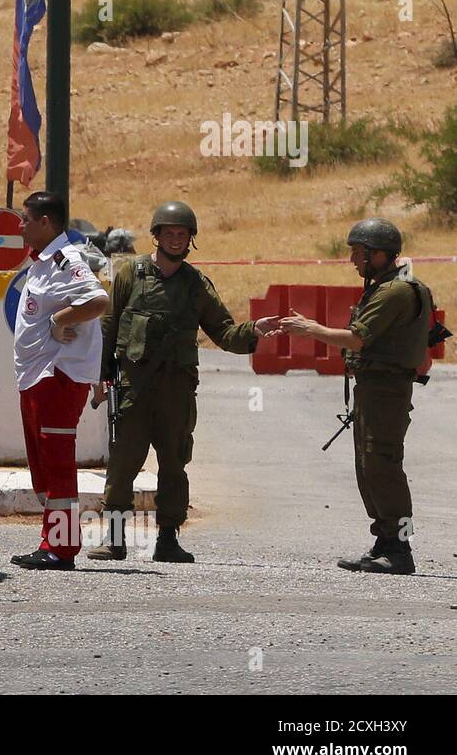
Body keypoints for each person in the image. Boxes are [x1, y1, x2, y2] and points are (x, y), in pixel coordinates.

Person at [89, 201, 281, 563]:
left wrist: (253, 330)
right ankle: (114, 539)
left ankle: (168, 539)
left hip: (176, 393)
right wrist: (100, 378)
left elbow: (223, 331)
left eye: (182, 234)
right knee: (122, 465)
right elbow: (107, 327)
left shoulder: (196, 285)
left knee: (174, 466)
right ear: (157, 236)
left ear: (190, 239)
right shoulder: (132, 274)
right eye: (169, 233)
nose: (176, 240)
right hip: (133, 390)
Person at [280, 218, 436, 576]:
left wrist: (312, 330)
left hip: (387, 389)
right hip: (374, 387)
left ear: (378, 254)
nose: (353, 260)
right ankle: (385, 542)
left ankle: (401, 547)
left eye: (358, 252)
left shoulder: (395, 291)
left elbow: (357, 338)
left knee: (383, 464)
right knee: (369, 465)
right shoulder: (385, 285)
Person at [10, 191, 109, 570]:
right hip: (37, 376)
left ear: (45, 222)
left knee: (58, 465)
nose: (20, 226)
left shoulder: (66, 259)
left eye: (25, 219)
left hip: (58, 377)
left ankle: (62, 548)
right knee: (45, 466)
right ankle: (50, 541)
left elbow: (99, 301)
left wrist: (60, 320)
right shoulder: (42, 263)